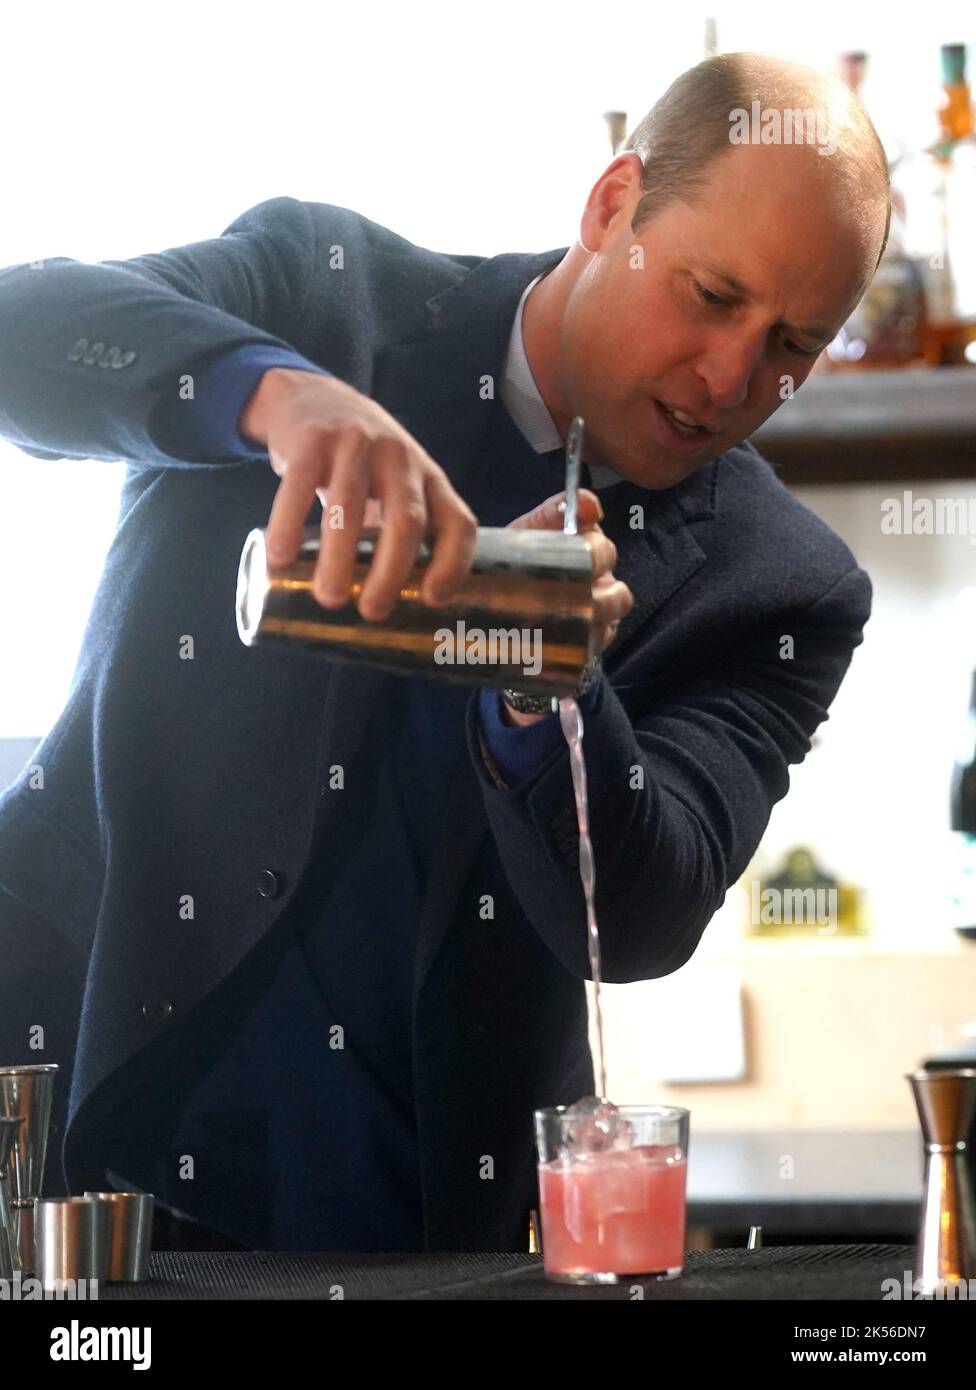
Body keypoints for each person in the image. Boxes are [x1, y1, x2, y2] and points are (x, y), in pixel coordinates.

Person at [0, 52, 884, 1252]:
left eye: (793, 343)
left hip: (407, 1217)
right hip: (56, 1094)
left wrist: (546, 689)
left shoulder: (780, 583)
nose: (732, 378)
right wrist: (280, 395)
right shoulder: (323, 293)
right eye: (711, 294)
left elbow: (639, 915)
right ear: (613, 203)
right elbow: (23, 331)